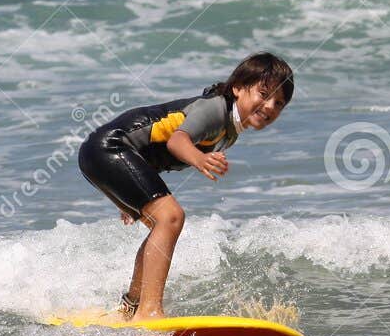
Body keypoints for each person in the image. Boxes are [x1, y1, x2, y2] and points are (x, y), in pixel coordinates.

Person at [77, 53, 293, 321]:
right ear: (237, 87)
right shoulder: (214, 110)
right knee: (172, 217)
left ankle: (130, 308)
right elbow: (177, 142)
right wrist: (200, 158)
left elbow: (151, 148)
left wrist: (129, 195)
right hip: (109, 148)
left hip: (107, 154)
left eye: (279, 103)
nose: (271, 106)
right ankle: (150, 311)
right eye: (264, 93)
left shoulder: (230, 130)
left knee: (163, 225)